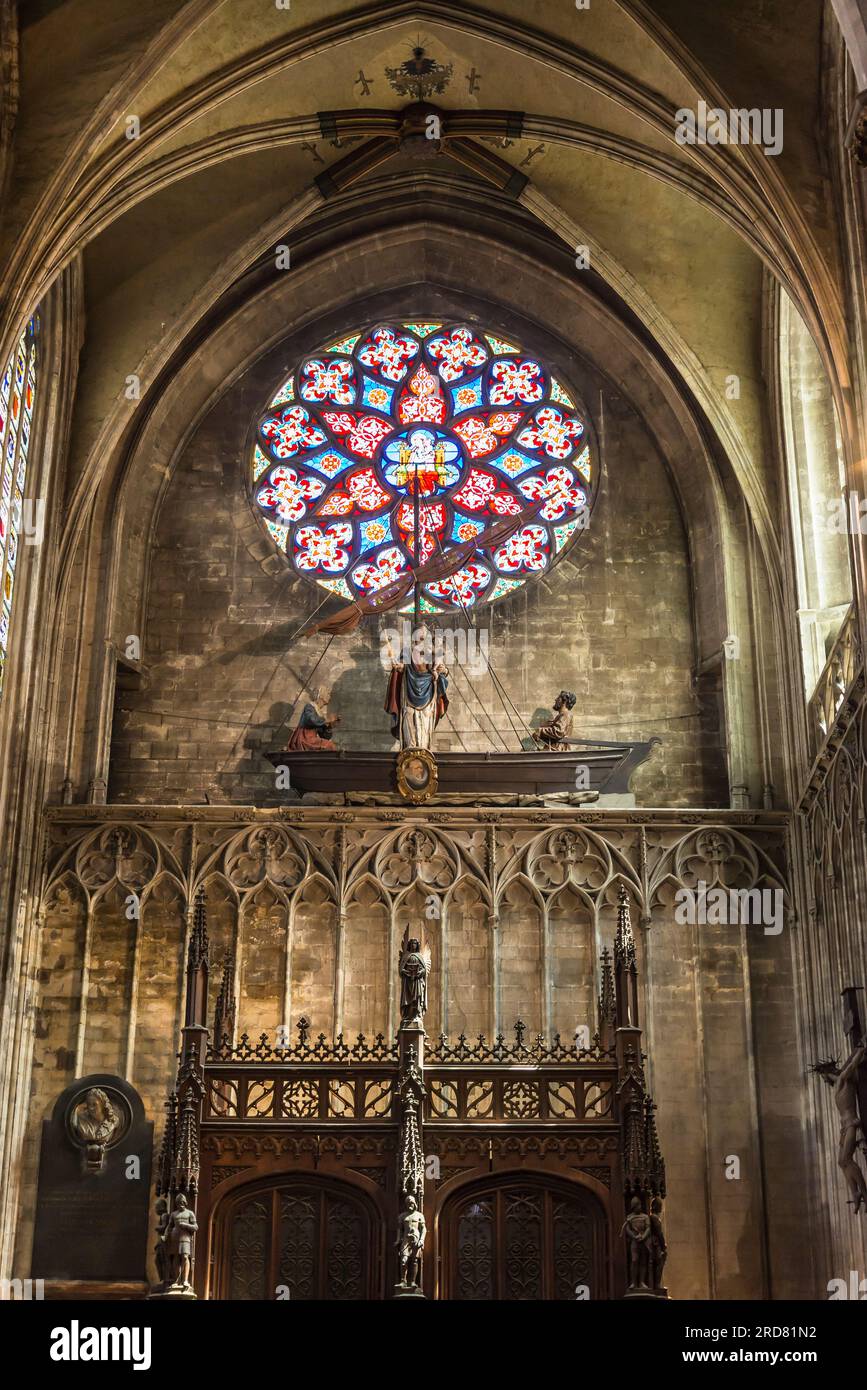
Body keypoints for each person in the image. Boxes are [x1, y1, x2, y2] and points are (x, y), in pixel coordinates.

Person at [812, 1045, 867, 1213]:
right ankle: (855, 1193)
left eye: (824, 1077)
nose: (825, 1080)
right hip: (844, 1128)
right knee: (840, 1162)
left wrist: (861, 1050)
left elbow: (851, 1066)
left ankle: (865, 1193)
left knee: (847, 1159)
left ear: (829, 1073)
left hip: (851, 1124)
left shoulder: (842, 1080)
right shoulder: (838, 1086)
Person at [385, 627, 448, 750]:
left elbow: (441, 670)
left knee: (426, 719)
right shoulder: (407, 652)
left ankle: (424, 749)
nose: (423, 636)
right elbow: (402, 667)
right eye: (420, 634)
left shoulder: (433, 652)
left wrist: (443, 670)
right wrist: (399, 667)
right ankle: (410, 749)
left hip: (428, 692)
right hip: (409, 690)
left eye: (425, 634)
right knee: (409, 716)